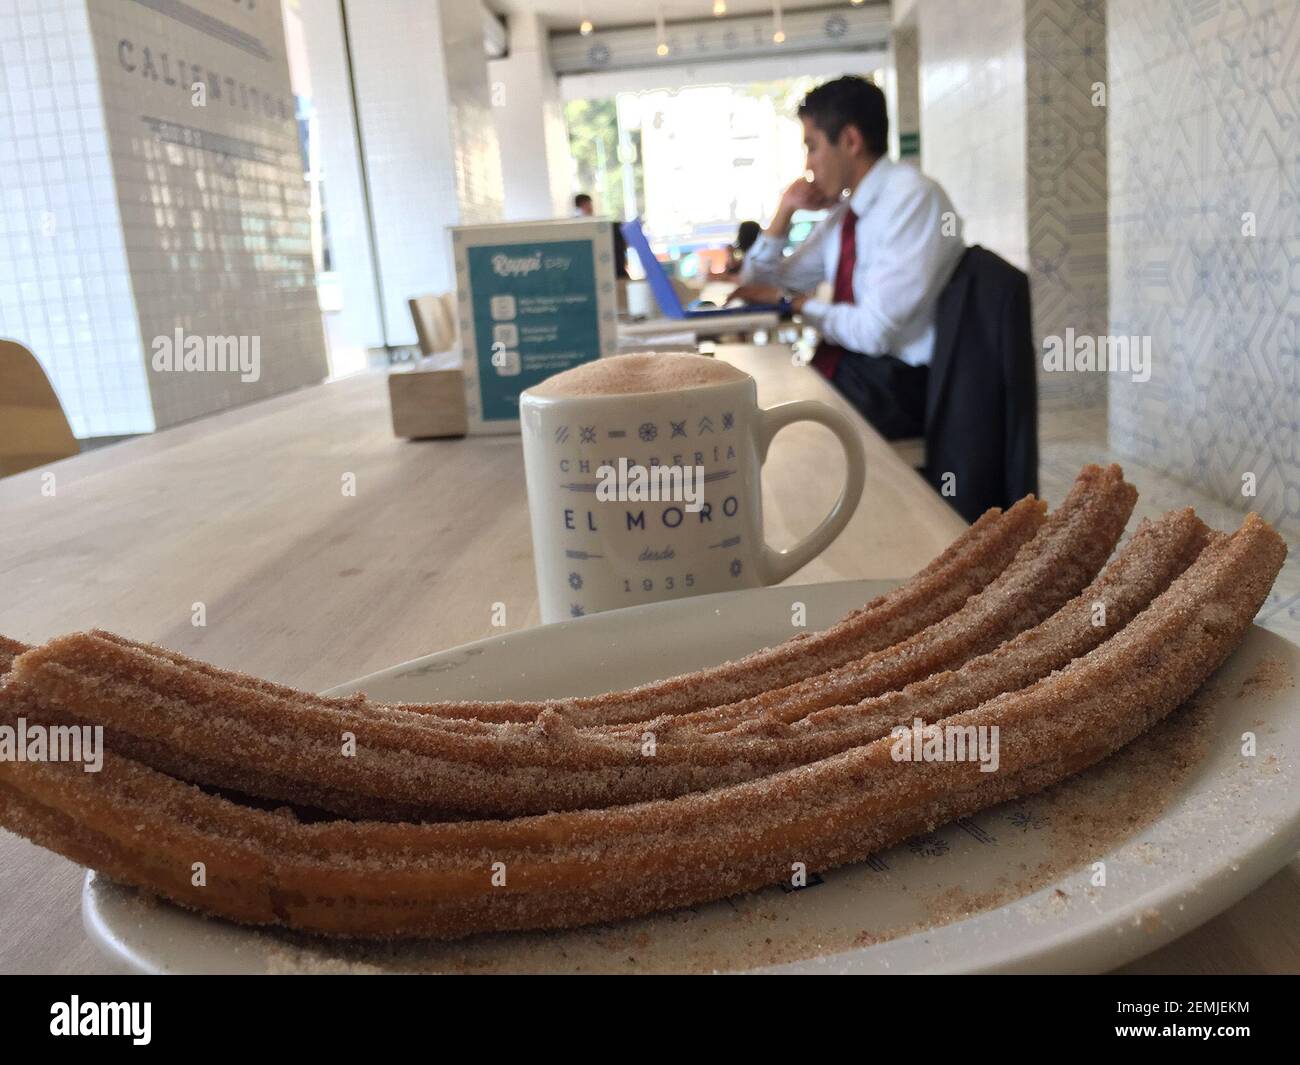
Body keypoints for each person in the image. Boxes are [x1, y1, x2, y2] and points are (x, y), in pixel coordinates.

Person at [730, 76, 964, 440]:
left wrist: (795, 303)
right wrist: (784, 212)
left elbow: (874, 333)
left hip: (896, 384)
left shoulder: (912, 200)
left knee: (782, 432)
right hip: (856, 369)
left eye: (813, 147)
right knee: (758, 406)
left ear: (851, 141)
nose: (808, 164)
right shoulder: (846, 213)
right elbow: (758, 286)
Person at [574, 192, 629, 280]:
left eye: (589, 204)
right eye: (585, 205)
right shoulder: (576, 228)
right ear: (578, 208)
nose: (589, 207)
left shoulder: (602, 225)